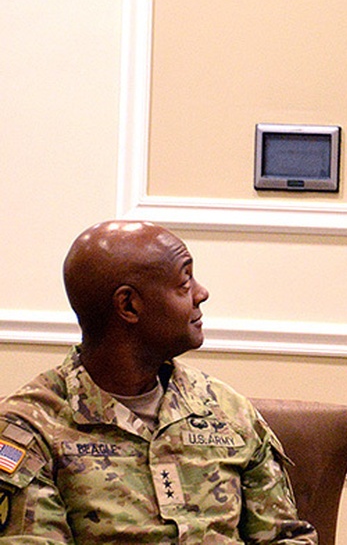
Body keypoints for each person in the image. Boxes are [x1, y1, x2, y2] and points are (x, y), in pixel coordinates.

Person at [0, 220, 316, 544]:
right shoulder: (28, 429)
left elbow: (285, 538)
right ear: (129, 305)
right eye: (184, 281)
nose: (201, 293)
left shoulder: (228, 412)